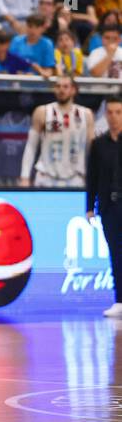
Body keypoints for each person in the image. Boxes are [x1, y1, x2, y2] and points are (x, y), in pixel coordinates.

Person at [85, 96, 122, 318]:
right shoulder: (98, 145)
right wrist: (90, 207)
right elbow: (93, 178)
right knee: (116, 254)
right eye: (110, 112)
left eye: (118, 112)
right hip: (109, 207)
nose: (114, 117)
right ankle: (119, 300)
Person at [21, 76, 93, 188]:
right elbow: (31, 145)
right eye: (58, 86)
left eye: (65, 87)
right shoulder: (42, 111)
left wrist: (93, 176)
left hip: (75, 177)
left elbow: (91, 149)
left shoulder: (86, 114)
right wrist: (24, 176)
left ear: (73, 90)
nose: (61, 90)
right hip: (46, 176)